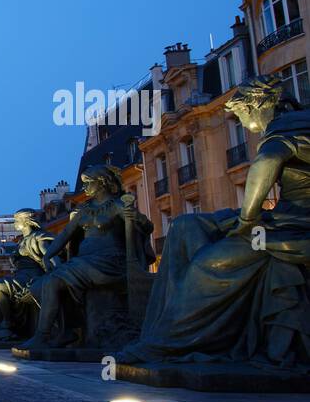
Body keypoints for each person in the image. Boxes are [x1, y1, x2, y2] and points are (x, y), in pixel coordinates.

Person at [119, 79, 310, 367]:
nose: (244, 124)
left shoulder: (287, 126)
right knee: (184, 225)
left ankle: (170, 343)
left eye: (242, 116)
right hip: (282, 217)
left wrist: (247, 218)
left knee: (205, 266)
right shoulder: (292, 124)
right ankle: (160, 330)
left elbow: (266, 163)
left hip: (294, 224)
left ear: (257, 104)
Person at [19, 165, 152, 350]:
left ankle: (44, 336)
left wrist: (136, 218)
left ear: (102, 182)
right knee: (39, 286)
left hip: (110, 262)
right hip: (84, 263)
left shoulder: (117, 205)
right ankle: (64, 331)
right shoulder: (84, 210)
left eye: (88, 183)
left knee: (52, 282)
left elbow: (147, 226)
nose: (85, 188)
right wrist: (48, 255)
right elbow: (63, 236)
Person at [0, 209, 54, 341]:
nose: (14, 222)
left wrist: (47, 278)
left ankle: (8, 323)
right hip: (19, 276)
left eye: (17, 220)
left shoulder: (38, 238)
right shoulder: (21, 241)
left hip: (31, 276)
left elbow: (51, 259)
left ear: (26, 221)